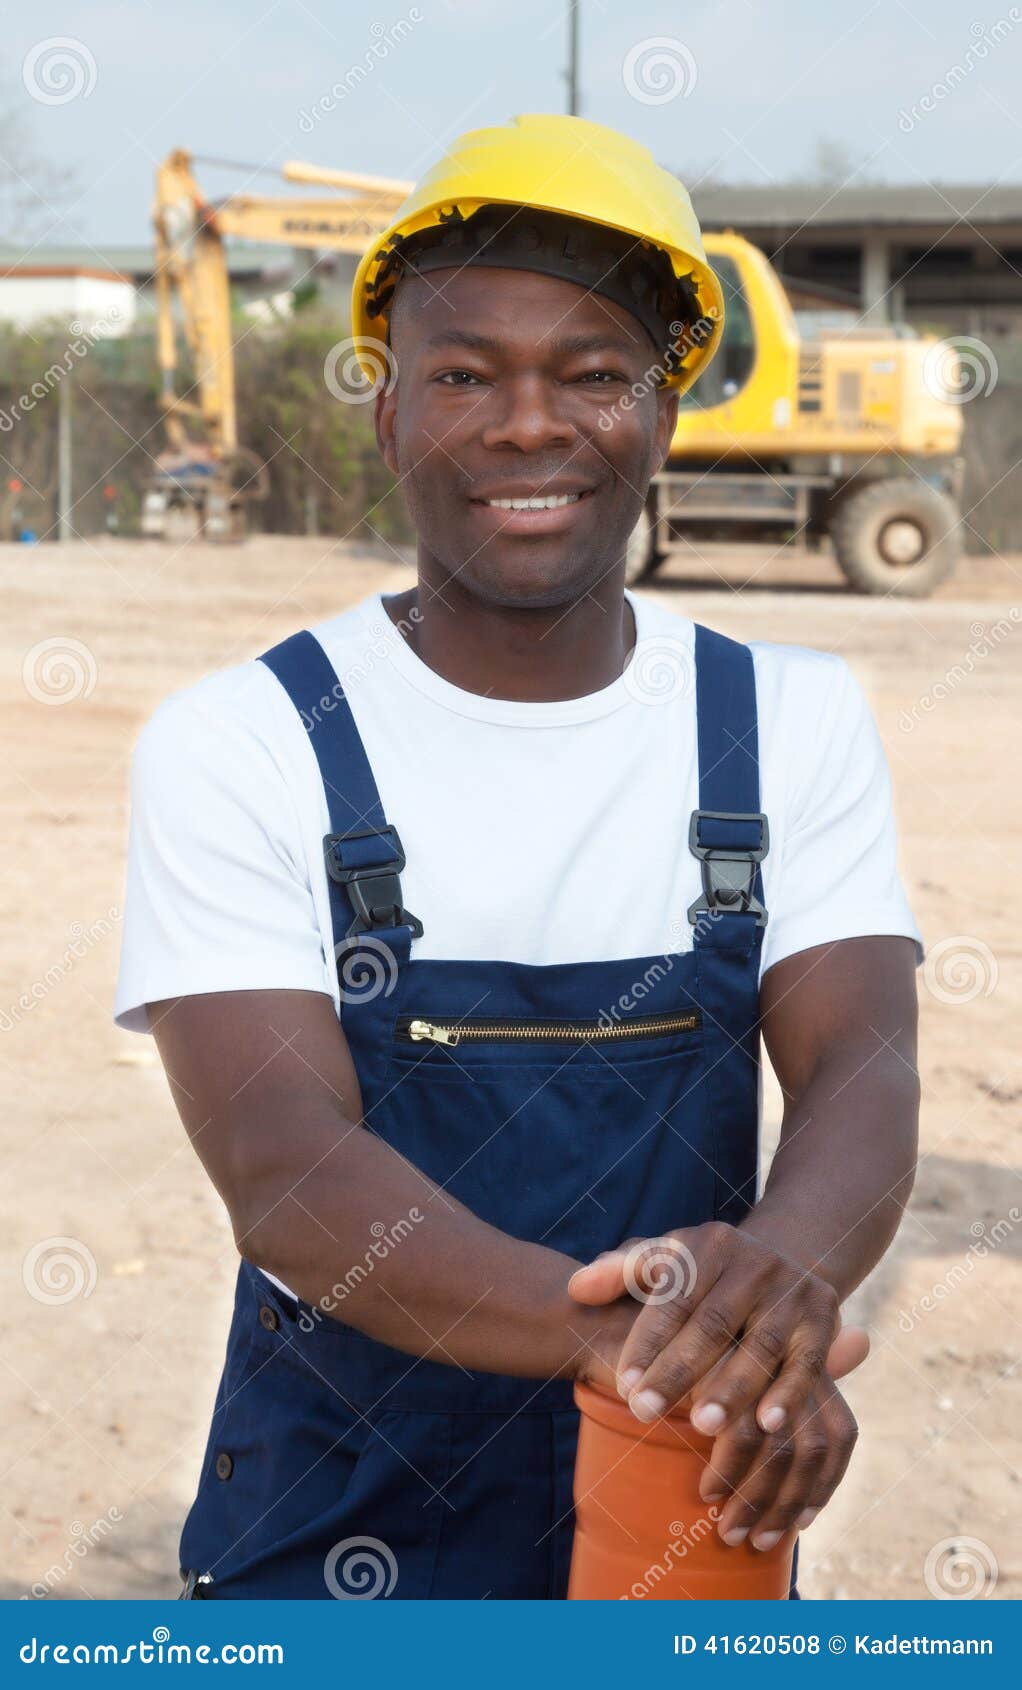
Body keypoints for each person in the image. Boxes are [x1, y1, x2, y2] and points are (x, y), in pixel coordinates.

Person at [113, 114, 921, 1601]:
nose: (528, 423)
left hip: (683, 1492)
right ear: (387, 414)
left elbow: (860, 1069)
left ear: (663, 410)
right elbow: (283, 1164)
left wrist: (779, 1289)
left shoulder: (784, 717)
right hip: (334, 1517)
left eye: (592, 372)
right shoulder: (242, 740)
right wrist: (618, 1335)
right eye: (465, 374)